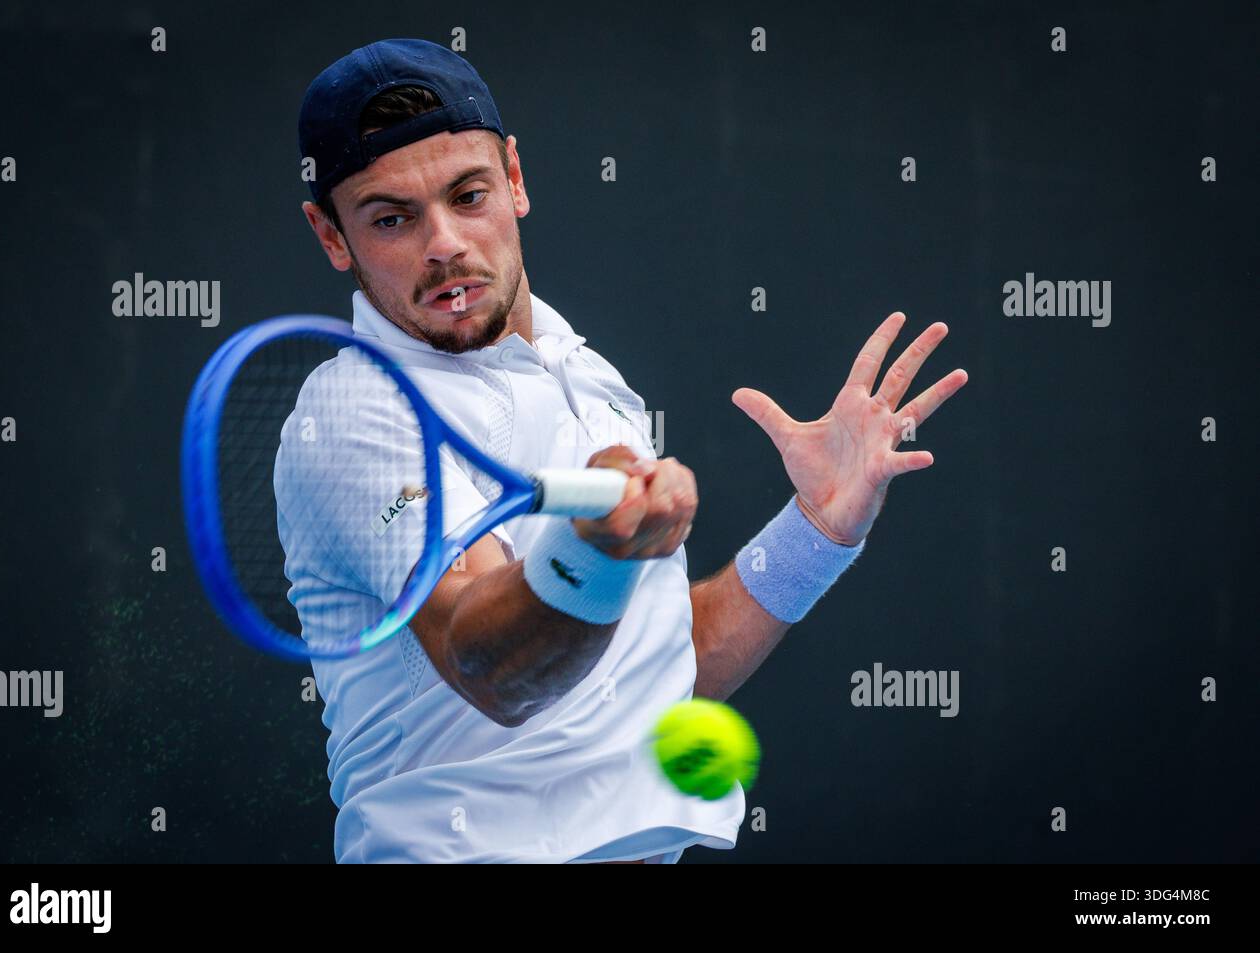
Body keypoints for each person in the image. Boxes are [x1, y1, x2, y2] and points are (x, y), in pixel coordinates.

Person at [280, 38, 968, 863]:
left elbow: (655, 670)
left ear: (516, 179)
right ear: (331, 235)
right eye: (392, 218)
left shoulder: (591, 377)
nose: (444, 244)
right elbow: (485, 660)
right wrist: (592, 548)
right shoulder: (354, 406)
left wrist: (815, 530)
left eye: (469, 195)